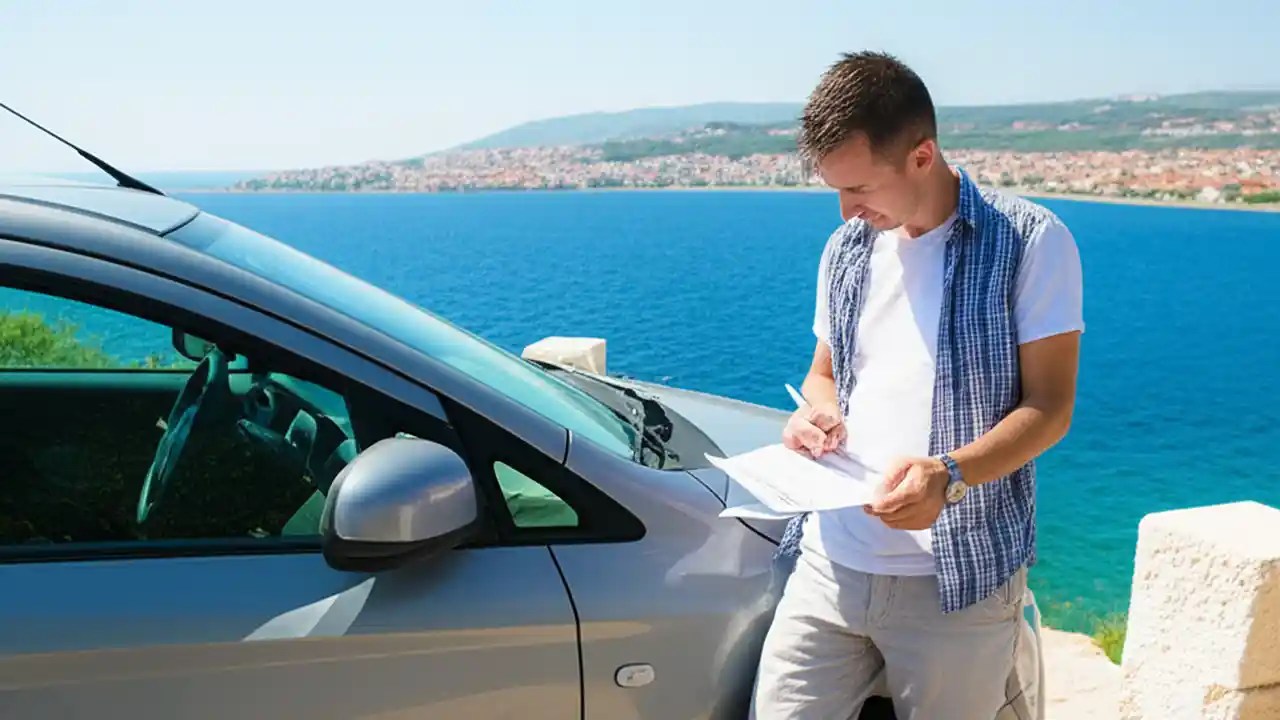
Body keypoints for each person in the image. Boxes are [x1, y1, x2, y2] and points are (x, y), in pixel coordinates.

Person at [750, 51, 1084, 719]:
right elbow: (825, 375)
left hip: (955, 584)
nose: (846, 209)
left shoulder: (1029, 242)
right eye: (836, 190)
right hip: (828, 565)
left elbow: (1050, 408)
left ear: (923, 156)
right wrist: (814, 417)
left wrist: (949, 475)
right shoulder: (847, 248)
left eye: (861, 188)